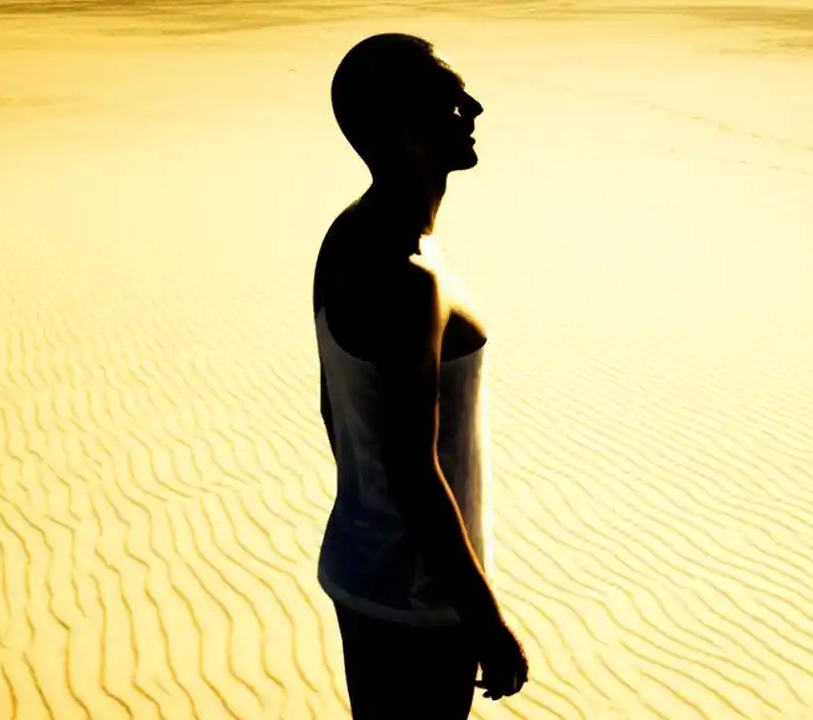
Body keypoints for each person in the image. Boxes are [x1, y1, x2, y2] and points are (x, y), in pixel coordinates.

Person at [311, 33, 528, 718]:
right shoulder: (410, 277)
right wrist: (485, 619)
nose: (474, 107)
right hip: (414, 595)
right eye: (450, 99)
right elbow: (412, 468)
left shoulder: (349, 235)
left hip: (365, 563)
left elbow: (335, 411)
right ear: (404, 129)